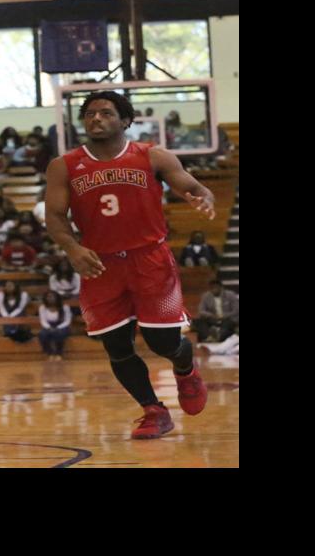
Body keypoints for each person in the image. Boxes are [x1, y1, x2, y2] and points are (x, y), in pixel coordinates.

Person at [44, 90, 218, 440]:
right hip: (99, 263)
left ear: (125, 120)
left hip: (149, 259)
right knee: (117, 346)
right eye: (90, 113)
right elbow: (54, 216)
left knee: (163, 342)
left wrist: (205, 197)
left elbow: (193, 186)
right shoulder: (64, 165)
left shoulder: (153, 156)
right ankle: (153, 410)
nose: (96, 118)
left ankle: (186, 370)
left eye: (106, 113)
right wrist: (71, 248)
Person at [193, 278, 239, 347]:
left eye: (216, 287)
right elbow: (201, 311)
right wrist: (211, 315)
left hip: (227, 319)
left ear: (221, 287)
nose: (214, 289)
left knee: (229, 325)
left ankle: (219, 335)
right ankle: (208, 337)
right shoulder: (206, 296)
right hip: (213, 319)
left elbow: (236, 309)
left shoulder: (230, 295)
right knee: (197, 321)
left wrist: (224, 315)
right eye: (212, 288)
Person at [37, 290, 72, 358]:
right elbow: (43, 320)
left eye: (53, 296)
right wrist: (49, 328)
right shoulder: (42, 307)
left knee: (59, 333)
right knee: (42, 334)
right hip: (48, 326)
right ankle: (49, 353)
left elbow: (67, 321)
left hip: (62, 326)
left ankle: (59, 353)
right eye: (49, 297)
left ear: (57, 298)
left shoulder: (65, 307)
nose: (51, 298)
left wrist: (58, 328)